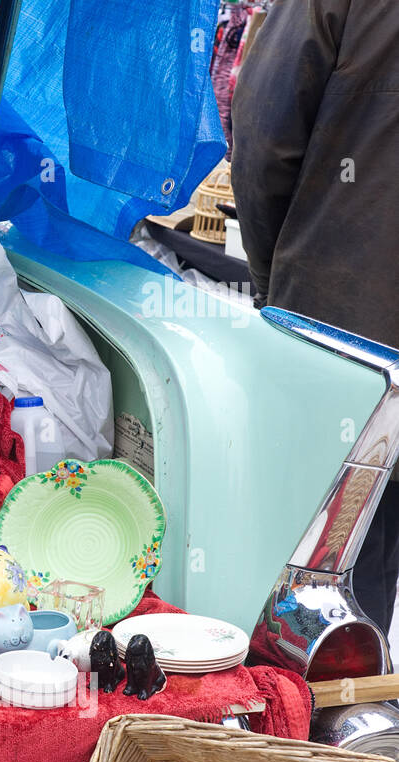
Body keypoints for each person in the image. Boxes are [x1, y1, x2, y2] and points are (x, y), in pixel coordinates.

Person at [231, 0, 399, 633]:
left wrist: (278, 286)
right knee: (366, 554)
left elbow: (264, 141)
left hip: (341, 330)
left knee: (316, 559)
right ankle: (360, 716)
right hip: (348, 320)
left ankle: (318, 716)